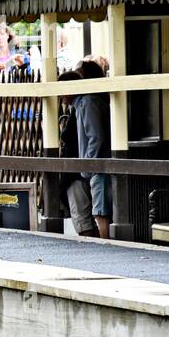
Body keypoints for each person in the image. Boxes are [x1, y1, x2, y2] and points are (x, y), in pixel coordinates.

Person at [56, 68, 96, 236]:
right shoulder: (77, 108)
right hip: (80, 168)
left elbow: (95, 136)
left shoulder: (84, 105)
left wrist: (85, 165)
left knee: (82, 216)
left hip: (78, 170)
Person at [74, 58, 111, 238]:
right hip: (98, 163)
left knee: (100, 210)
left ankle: (106, 245)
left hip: (97, 165)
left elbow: (95, 136)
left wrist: (88, 164)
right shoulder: (93, 101)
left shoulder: (88, 102)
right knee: (100, 209)